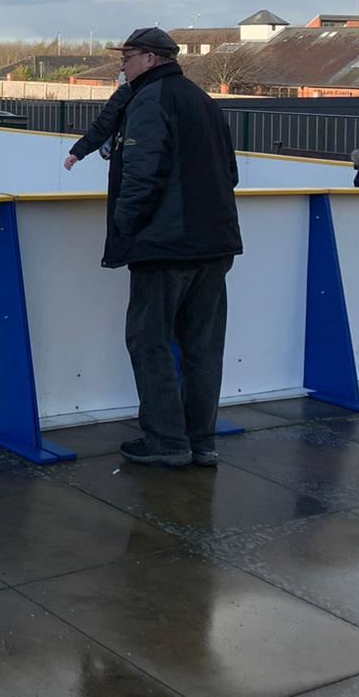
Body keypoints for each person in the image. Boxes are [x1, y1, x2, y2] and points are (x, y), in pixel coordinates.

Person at [103, 27, 242, 468]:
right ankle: (201, 441)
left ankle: (166, 440)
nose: (121, 66)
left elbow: (141, 178)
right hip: (214, 244)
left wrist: (125, 229)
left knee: (149, 341)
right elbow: (231, 174)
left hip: (165, 247)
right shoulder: (203, 101)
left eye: (126, 57)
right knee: (202, 347)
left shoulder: (148, 102)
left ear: (148, 58)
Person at [65, 82, 133, 171]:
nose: (123, 69)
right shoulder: (125, 92)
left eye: (126, 66)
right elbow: (102, 126)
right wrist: (78, 152)